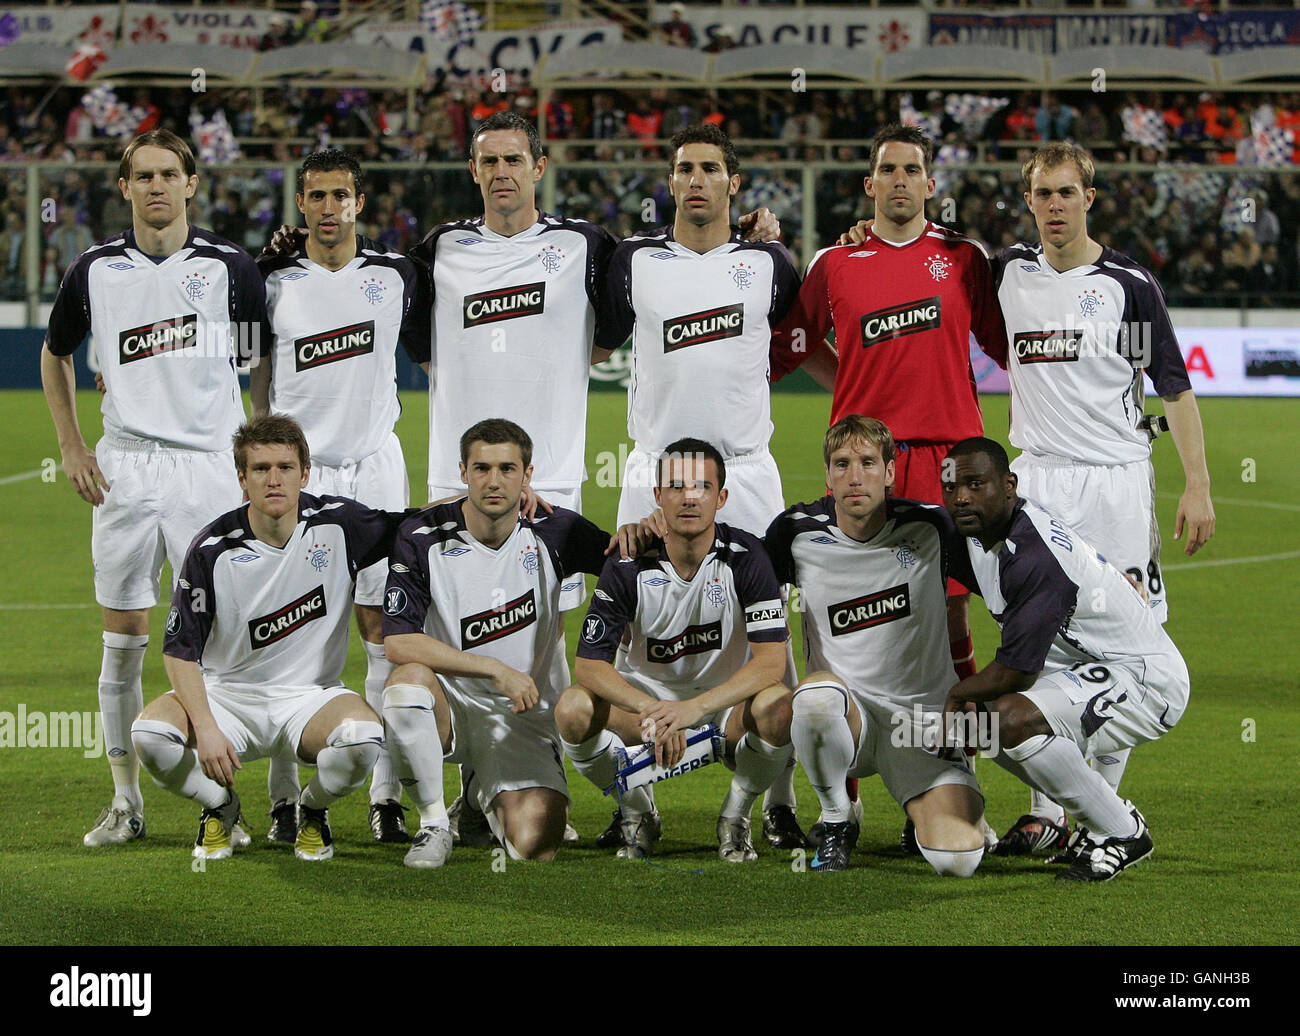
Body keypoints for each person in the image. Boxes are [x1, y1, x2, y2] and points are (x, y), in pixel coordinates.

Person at [770, 124, 1007, 843]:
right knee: (837, 618)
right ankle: (839, 785)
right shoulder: (836, 262)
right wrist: (854, 393)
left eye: (913, 169)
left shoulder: (964, 259)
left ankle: (947, 765)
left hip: (946, 464)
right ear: (869, 185)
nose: (900, 180)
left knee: (954, 620)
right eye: (887, 170)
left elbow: (1008, 344)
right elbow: (795, 346)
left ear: (930, 184)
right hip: (868, 459)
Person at [40, 129, 269, 848]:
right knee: (124, 635)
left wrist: (262, 453)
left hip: (207, 465)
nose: (157, 187)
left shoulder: (231, 265)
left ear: (192, 184)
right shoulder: (94, 269)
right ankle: (125, 802)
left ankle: (219, 798)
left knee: (223, 639)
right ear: (125, 186)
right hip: (127, 468)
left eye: (170, 174)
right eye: (143, 176)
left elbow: (259, 366)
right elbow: (56, 355)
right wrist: (72, 444)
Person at [989, 142, 1213, 853]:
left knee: (1124, 642)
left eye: (1065, 192)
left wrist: (1199, 487)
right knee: (1042, 640)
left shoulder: (1128, 286)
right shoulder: (1008, 276)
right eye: (1041, 194)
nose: (1053, 206)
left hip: (1114, 481)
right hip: (1040, 481)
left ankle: (1103, 811)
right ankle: (1046, 813)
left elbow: (1173, 388)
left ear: (1090, 197)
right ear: (1027, 201)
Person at [599, 123, 816, 849]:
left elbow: (799, 343)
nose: (695, 180)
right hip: (653, 470)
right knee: (631, 637)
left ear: (734, 184)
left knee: (768, 635)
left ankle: (775, 802)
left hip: (747, 472)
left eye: (710, 170)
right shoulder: (631, 260)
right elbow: (594, 340)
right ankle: (631, 794)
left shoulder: (769, 263)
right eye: (684, 169)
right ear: (670, 181)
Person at [129, 415, 409, 862]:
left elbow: (420, 525)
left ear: (305, 473)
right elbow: (181, 653)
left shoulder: (339, 525)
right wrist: (205, 726)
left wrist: (494, 501)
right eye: (260, 469)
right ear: (242, 478)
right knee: (149, 736)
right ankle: (220, 806)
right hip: (229, 699)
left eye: (285, 467)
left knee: (362, 739)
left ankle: (312, 810)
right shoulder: (211, 549)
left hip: (310, 699)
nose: (273, 479)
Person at [251, 148, 429, 846]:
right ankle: (283, 796)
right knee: (296, 637)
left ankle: (384, 796)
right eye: (317, 196)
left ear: (361, 203)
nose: (329, 208)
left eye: (341, 196)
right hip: (308, 474)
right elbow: (254, 374)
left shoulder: (395, 276)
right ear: (302, 204)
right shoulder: (269, 283)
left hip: (378, 469)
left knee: (384, 634)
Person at [941, 438, 1190, 881]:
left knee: (1007, 717)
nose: (961, 497)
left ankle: (1122, 830)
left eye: (976, 484)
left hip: (1147, 681)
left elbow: (1017, 672)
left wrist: (958, 692)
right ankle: (1098, 825)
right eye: (953, 487)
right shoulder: (981, 529)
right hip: (1091, 668)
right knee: (980, 721)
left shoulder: (1034, 557)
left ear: (1009, 486)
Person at [379, 419, 613, 868]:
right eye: (481, 468)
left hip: (522, 715)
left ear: (528, 476)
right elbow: (399, 643)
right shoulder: (422, 536)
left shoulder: (557, 530)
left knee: (535, 847)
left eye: (507, 469)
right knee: (406, 685)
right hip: (453, 707)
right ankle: (432, 824)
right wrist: (495, 669)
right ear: (462, 471)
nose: (493, 480)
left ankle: (473, 798)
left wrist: (644, 530)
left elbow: (626, 567)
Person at [764, 416, 988, 874]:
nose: (854, 476)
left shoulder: (933, 529)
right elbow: (739, 575)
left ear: (889, 472)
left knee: (958, 859)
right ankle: (836, 819)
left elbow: (1014, 569)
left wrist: (1097, 579)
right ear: (827, 476)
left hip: (920, 724)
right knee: (815, 698)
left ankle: (924, 808)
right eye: (841, 464)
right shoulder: (794, 533)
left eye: (868, 463)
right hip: (850, 722)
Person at [560, 439, 793, 862]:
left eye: (702, 487)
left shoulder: (747, 556)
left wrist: (692, 710)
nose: (689, 497)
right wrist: (652, 710)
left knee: (779, 707)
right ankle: (637, 812)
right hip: (646, 711)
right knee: (572, 709)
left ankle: (735, 817)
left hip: (723, 709)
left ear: (721, 498)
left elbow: (772, 662)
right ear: (656, 496)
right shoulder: (628, 562)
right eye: (676, 487)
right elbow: (589, 666)